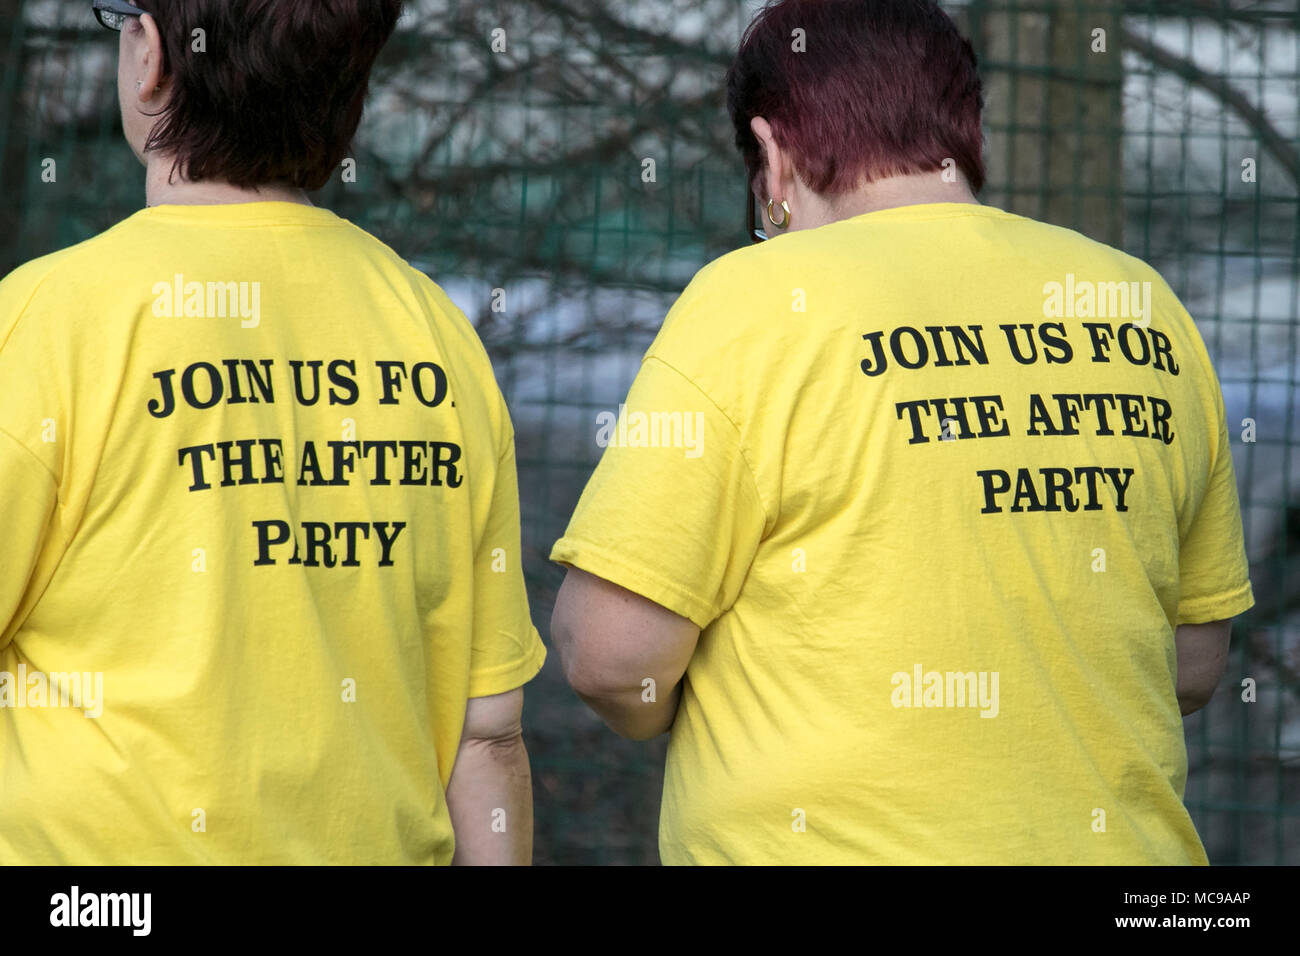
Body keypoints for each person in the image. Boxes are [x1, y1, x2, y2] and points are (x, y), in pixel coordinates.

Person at [549, 0, 1254, 864]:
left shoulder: (758, 302)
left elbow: (612, 656)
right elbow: (1192, 662)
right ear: (963, 122)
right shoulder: (1141, 305)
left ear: (771, 156)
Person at [0, 0, 545, 864]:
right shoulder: (437, 338)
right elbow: (486, 740)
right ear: (348, 89)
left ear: (149, 58)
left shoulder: (47, 321)